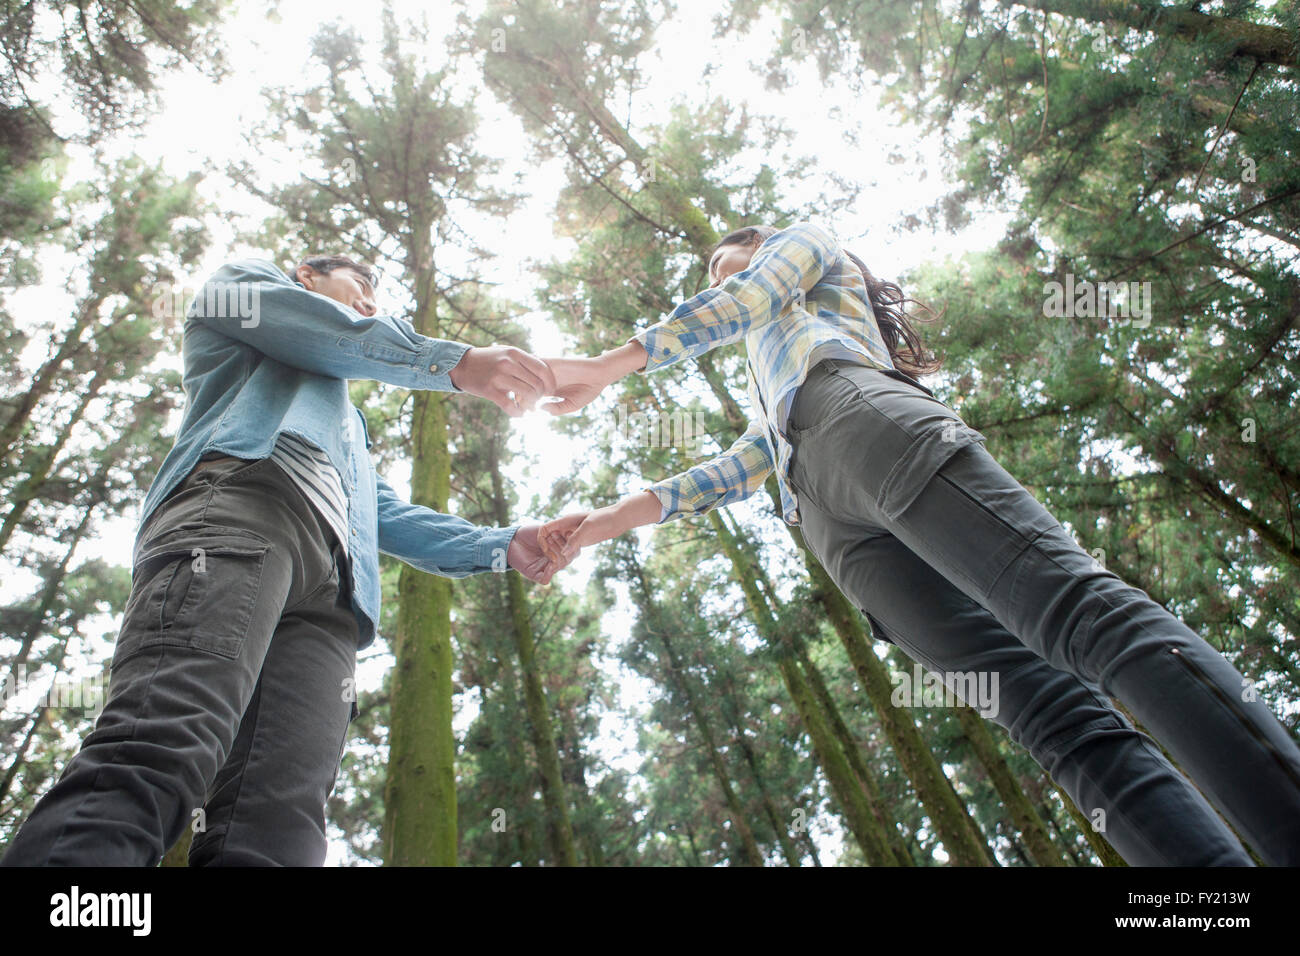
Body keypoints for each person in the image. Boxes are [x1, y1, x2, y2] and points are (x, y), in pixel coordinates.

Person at [536, 221, 1300, 866]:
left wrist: (608, 366)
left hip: (859, 416)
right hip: (829, 516)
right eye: (712, 269)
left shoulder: (802, 248)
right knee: (1053, 721)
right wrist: (598, 522)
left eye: (726, 261)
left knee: (1079, 616)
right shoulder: (768, 380)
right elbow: (735, 469)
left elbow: (749, 296)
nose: (719, 271)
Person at [1, 254, 568, 867]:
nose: (371, 306)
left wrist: (500, 544)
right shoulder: (245, 288)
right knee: (163, 742)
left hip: (331, 597)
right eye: (361, 289)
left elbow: (381, 512)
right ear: (306, 276)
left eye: (377, 302)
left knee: (280, 826)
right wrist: (453, 363)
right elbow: (316, 330)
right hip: (238, 510)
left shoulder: (345, 420)